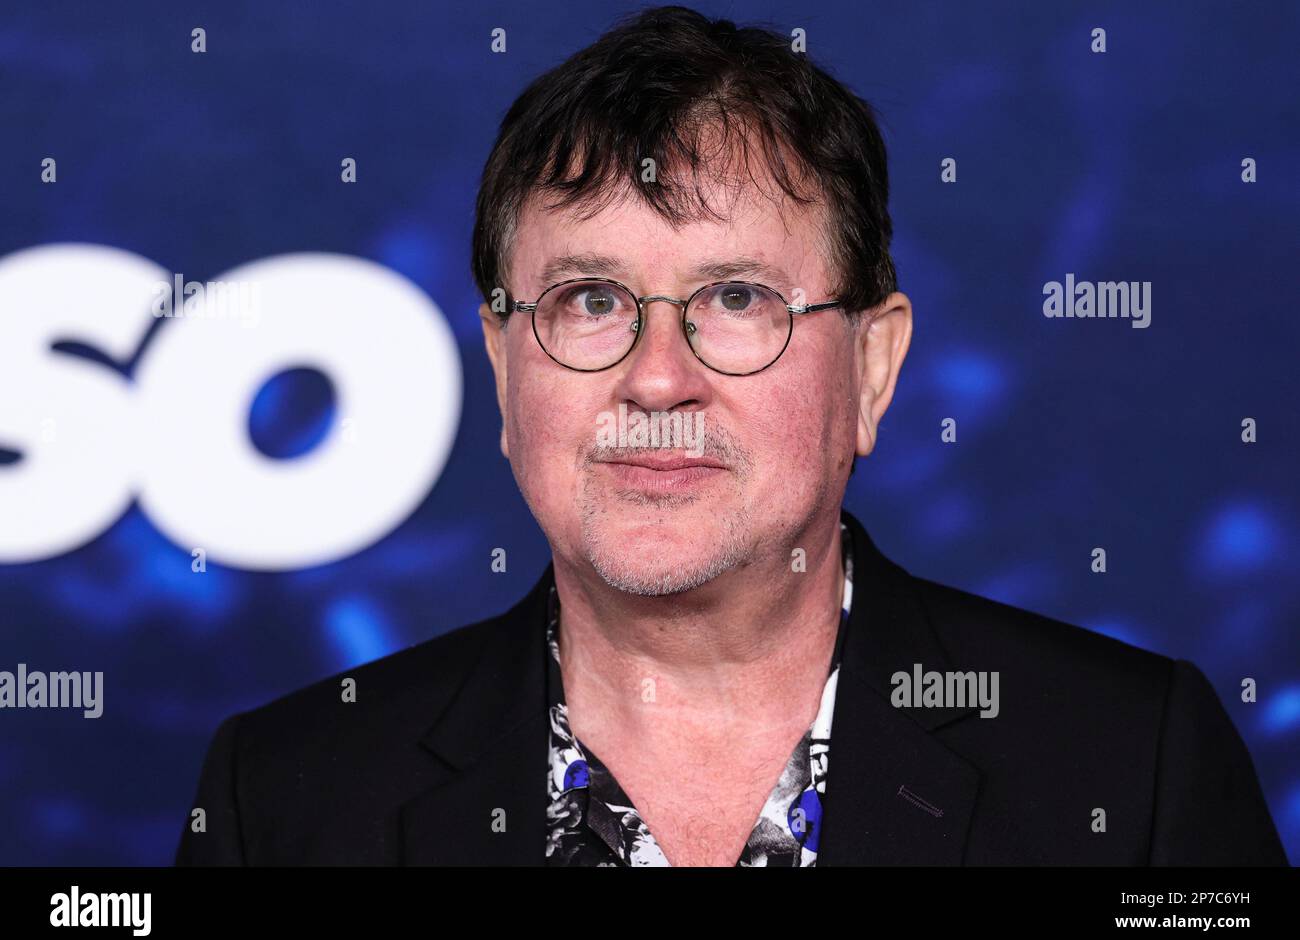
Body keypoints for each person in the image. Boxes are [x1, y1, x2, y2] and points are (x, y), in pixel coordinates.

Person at [175, 5, 1287, 866]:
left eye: (740, 299)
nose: (657, 375)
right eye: (591, 301)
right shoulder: (281, 798)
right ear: (505, 369)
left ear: (871, 366)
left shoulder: (1129, 766)